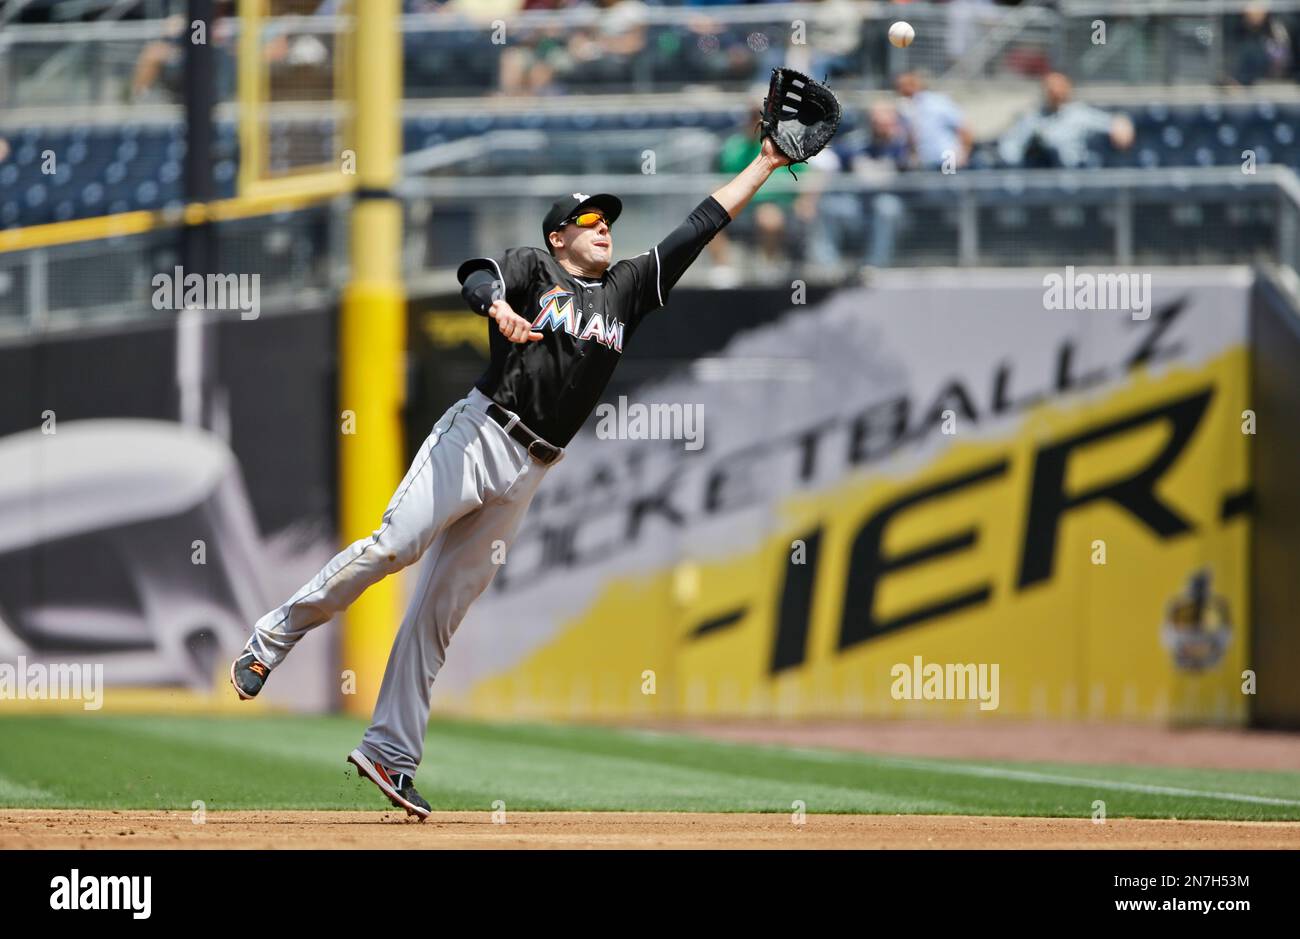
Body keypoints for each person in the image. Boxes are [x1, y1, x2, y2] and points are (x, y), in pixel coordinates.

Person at [230, 136, 796, 819]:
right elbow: (478, 275)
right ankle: (270, 641)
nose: (604, 227)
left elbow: (702, 224)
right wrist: (495, 307)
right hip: (478, 434)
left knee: (440, 615)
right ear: (560, 237)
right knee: (392, 547)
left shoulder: (625, 292)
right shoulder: (532, 268)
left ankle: (389, 753)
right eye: (589, 221)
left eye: (608, 219)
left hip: (532, 471)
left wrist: (766, 160)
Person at [997, 72, 1134, 169]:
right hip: (1039, 176)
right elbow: (1009, 146)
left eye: (1059, 87)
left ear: (1068, 89)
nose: (1055, 92)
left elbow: (1115, 123)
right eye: (1050, 88)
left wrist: (1121, 126)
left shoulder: (1080, 114)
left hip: (1073, 174)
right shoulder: (1032, 119)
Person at [894, 70, 972, 172]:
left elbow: (963, 127)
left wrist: (964, 153)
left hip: (947, 157)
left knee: (950, 185)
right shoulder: (905, 108)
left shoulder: (937, 102)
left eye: (907, 84)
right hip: (926, 160)